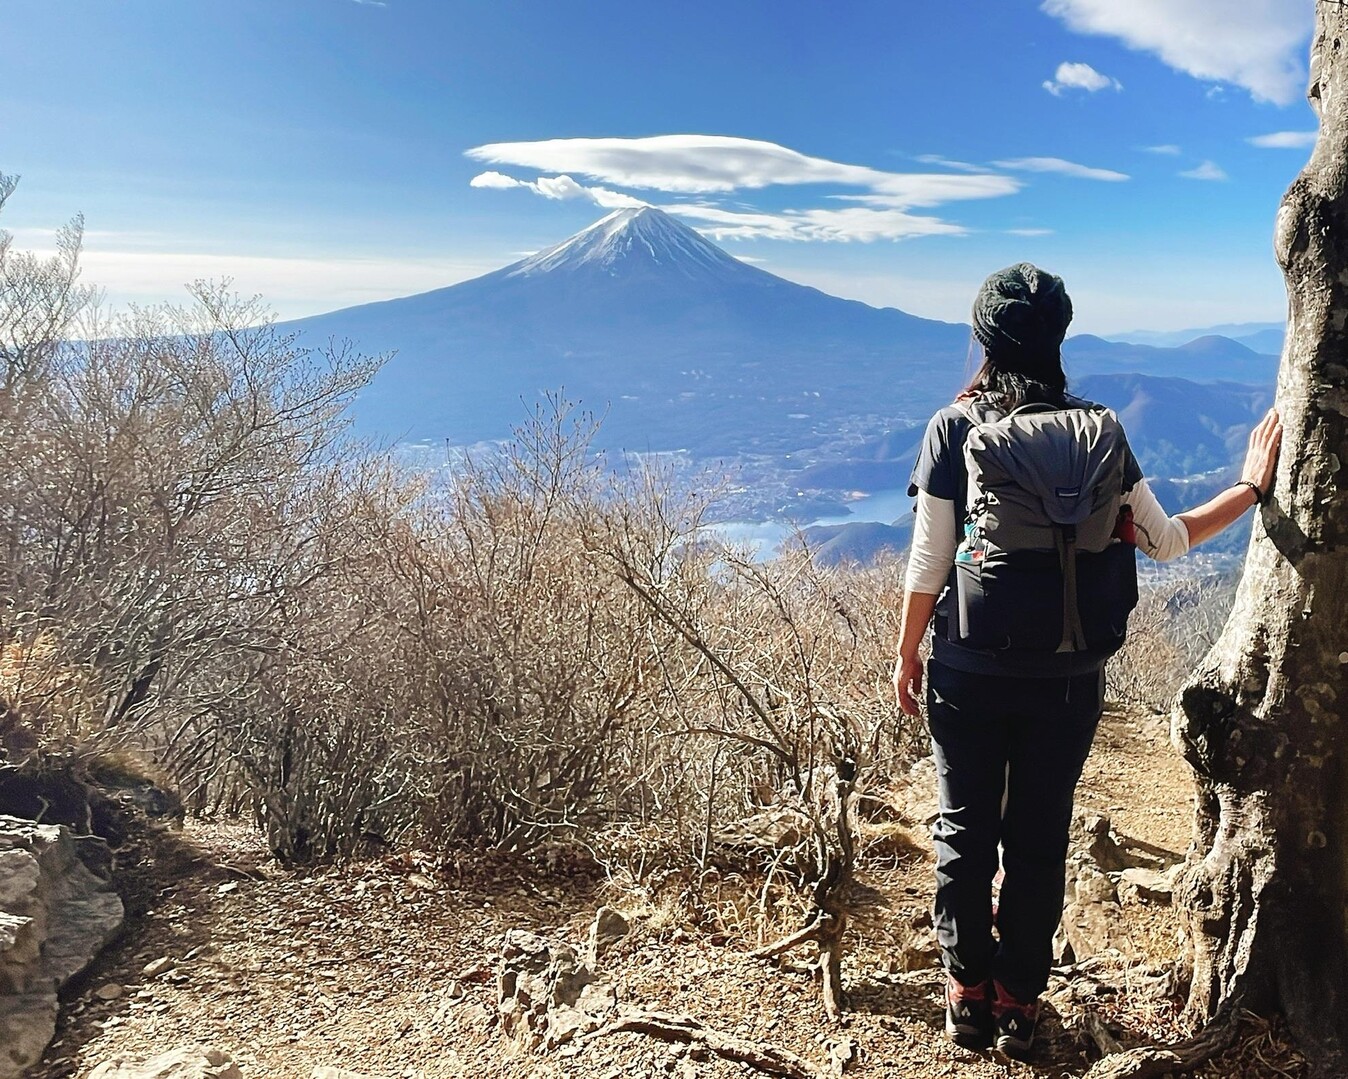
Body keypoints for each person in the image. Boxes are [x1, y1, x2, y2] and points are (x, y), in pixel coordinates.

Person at [891, 263, 1282, 1060]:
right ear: (1060, 336)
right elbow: (1168, 541)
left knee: (965, 831)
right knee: (1039, 838)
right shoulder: (1098, 431)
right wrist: (1249, 486)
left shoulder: (954, 429)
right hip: (1067, 680)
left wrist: (906, 654)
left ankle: (965, 996)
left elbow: (928, 566)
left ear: (986, 342)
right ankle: (1020, 1004)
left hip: (969, 667)